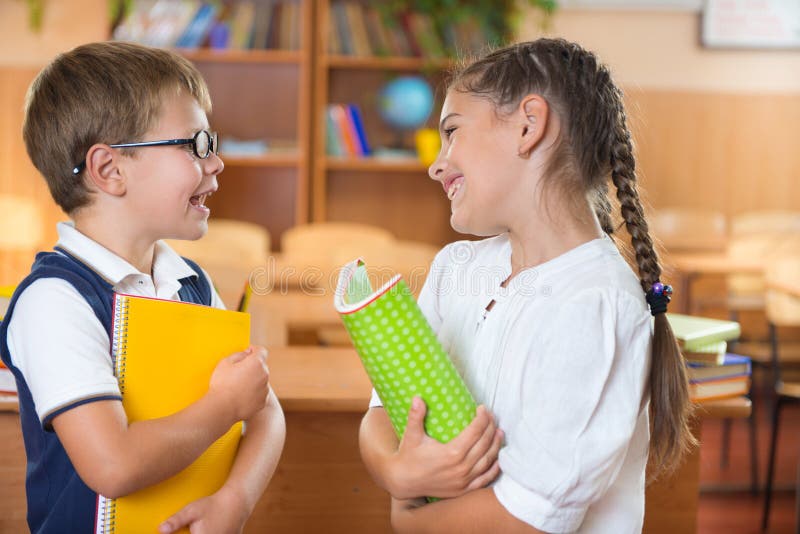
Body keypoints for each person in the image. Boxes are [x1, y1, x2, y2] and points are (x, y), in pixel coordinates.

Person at [358, 38, 694, 533]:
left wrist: (411, 522)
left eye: (452, 131)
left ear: (528, 126)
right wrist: (393, 469)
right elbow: (384, 405)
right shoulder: (457, 267)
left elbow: (528, 518)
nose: (437, 162)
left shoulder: (595, 303)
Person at [0, 41, 285, 534]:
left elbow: (266, 412)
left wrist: (234, 502)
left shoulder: (191, 283)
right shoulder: (54, 301)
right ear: (109, 170)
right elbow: (113, 466)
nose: (216, 163)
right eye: (196, 145)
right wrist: (223, 406)